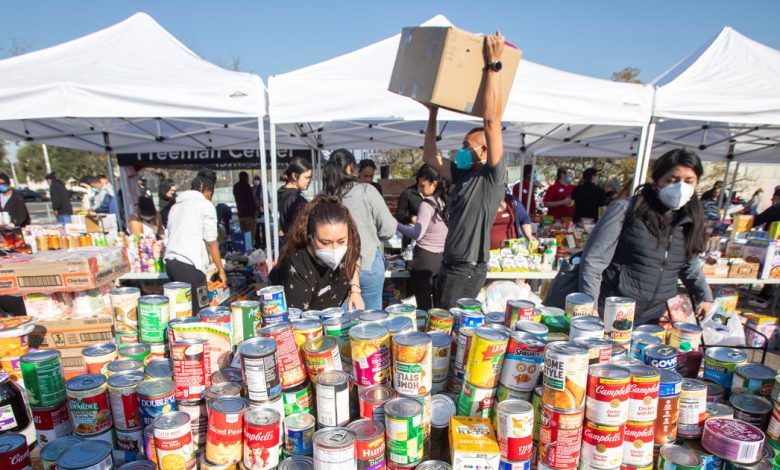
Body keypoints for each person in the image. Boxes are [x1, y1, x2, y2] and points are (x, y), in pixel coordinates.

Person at [579, 149, 713, 326]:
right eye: (671, 180)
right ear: (656, 181)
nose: (680, 187)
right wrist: (590, 306)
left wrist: (703, 295)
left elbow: (690, 262)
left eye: (689, 181)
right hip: (611, 308)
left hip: (652, 314)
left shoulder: (690, 219)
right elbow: (594, 260)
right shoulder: (626, 209)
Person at [422, 32, 507, 309]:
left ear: (484, 151)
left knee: (449, 332)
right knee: (441, 324)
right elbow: (429, 157)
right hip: (451, 262)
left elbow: (492, 121)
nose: (460, 151)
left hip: (467, 268)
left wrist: (493, 64)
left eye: (466, 146)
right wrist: (432, 114)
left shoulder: (491, 178)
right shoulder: (463, 175)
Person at [323, 149, 397, 310]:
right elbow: (389, 229)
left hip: (335, 266)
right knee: (371, 323)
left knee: (340, 323)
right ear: (351, 168)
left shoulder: (324, 197)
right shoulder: (366, 190)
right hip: (368, 262)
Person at [269, 196, 364, 310]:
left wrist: (355, 290)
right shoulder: (296, 265)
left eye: (341, 241)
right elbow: (297, 322)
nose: (335, 249)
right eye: (325, 242)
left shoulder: (349, 244)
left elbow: (353, 259)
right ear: (310, 237)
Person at [164, 175, 227, 315]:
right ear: (208, 192)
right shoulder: (205, 205)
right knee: (201, 311)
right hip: (190, 265)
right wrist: (220, 269)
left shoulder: (176, 207)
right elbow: (211, 241)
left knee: (180, 311)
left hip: (171, 264)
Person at [396, 165, 449, 310]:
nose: (419, 188)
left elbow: (417, 234)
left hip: (424, 258)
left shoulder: (427, 204)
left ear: (434, 183)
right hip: (443, 259)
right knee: (440, 309)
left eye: (423, 184)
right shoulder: (447, 202)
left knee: (423, 308)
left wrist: (396, 225)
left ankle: (423, 333)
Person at [278, 157, 313, 238]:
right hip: (296, 242)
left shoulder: (283, 191)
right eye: (306, 177)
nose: (309, 181)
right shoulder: (295, 197)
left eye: (310, 178)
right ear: (294, 176)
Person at [395, 166, 426, 247]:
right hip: (412, 236)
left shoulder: (436, 194)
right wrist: (411, 218)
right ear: (419, 177)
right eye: (425, 179)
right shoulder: (408, 193)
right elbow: (399, 216)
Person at [232, 171, 258, 245]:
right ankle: (250, 250)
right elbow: (251, 200)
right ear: (246, 177)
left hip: (240, 214)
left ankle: (245, 250)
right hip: (249, 215)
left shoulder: (235, 187)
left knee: (244, 235)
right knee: (250, 236)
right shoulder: (246, 186)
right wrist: (255, 210)